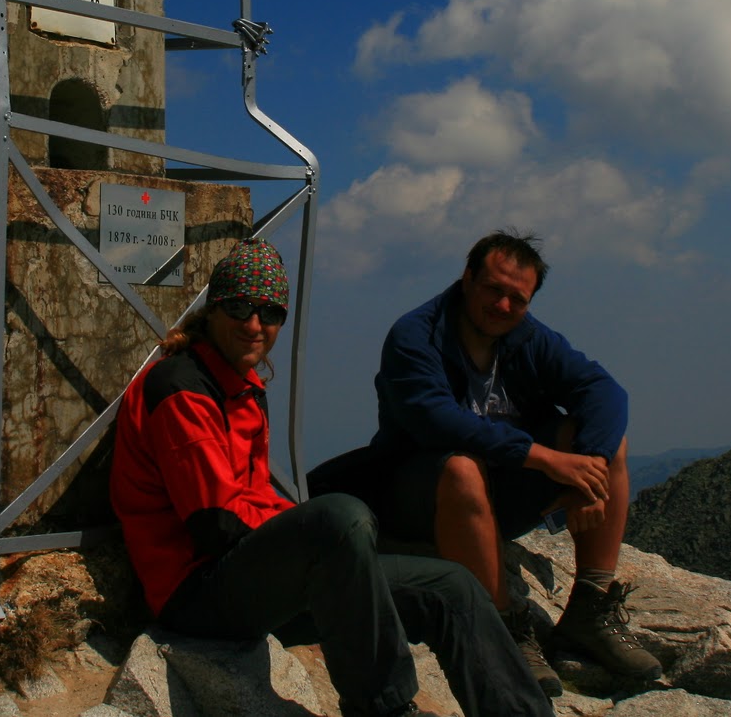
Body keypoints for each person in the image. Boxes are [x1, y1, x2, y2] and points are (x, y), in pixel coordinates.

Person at [110, 238, 553, 717]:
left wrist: (338, 558)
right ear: (214, 308)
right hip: (195, 595)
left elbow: (253, 498)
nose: (255, 325)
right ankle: (384, 708)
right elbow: (215, 525)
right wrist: (328, 549)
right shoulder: (182, 389)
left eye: (270, 312)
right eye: (239, 308)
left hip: (251, 577)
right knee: (341, 516)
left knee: (455, 589)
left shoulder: (242, 384)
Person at [357, 229, 662, 689]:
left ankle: (589, 609)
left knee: (606, 444)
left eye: (516, 299)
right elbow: (436, 421)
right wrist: (542, 458)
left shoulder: (528, 338)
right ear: (467, 278)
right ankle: (505, 628)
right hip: (418, 497)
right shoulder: (415, 336)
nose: (502, 306)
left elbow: (604, 391)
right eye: (493, 290)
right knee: (461, 466)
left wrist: (587, 473)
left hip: (499, 493)